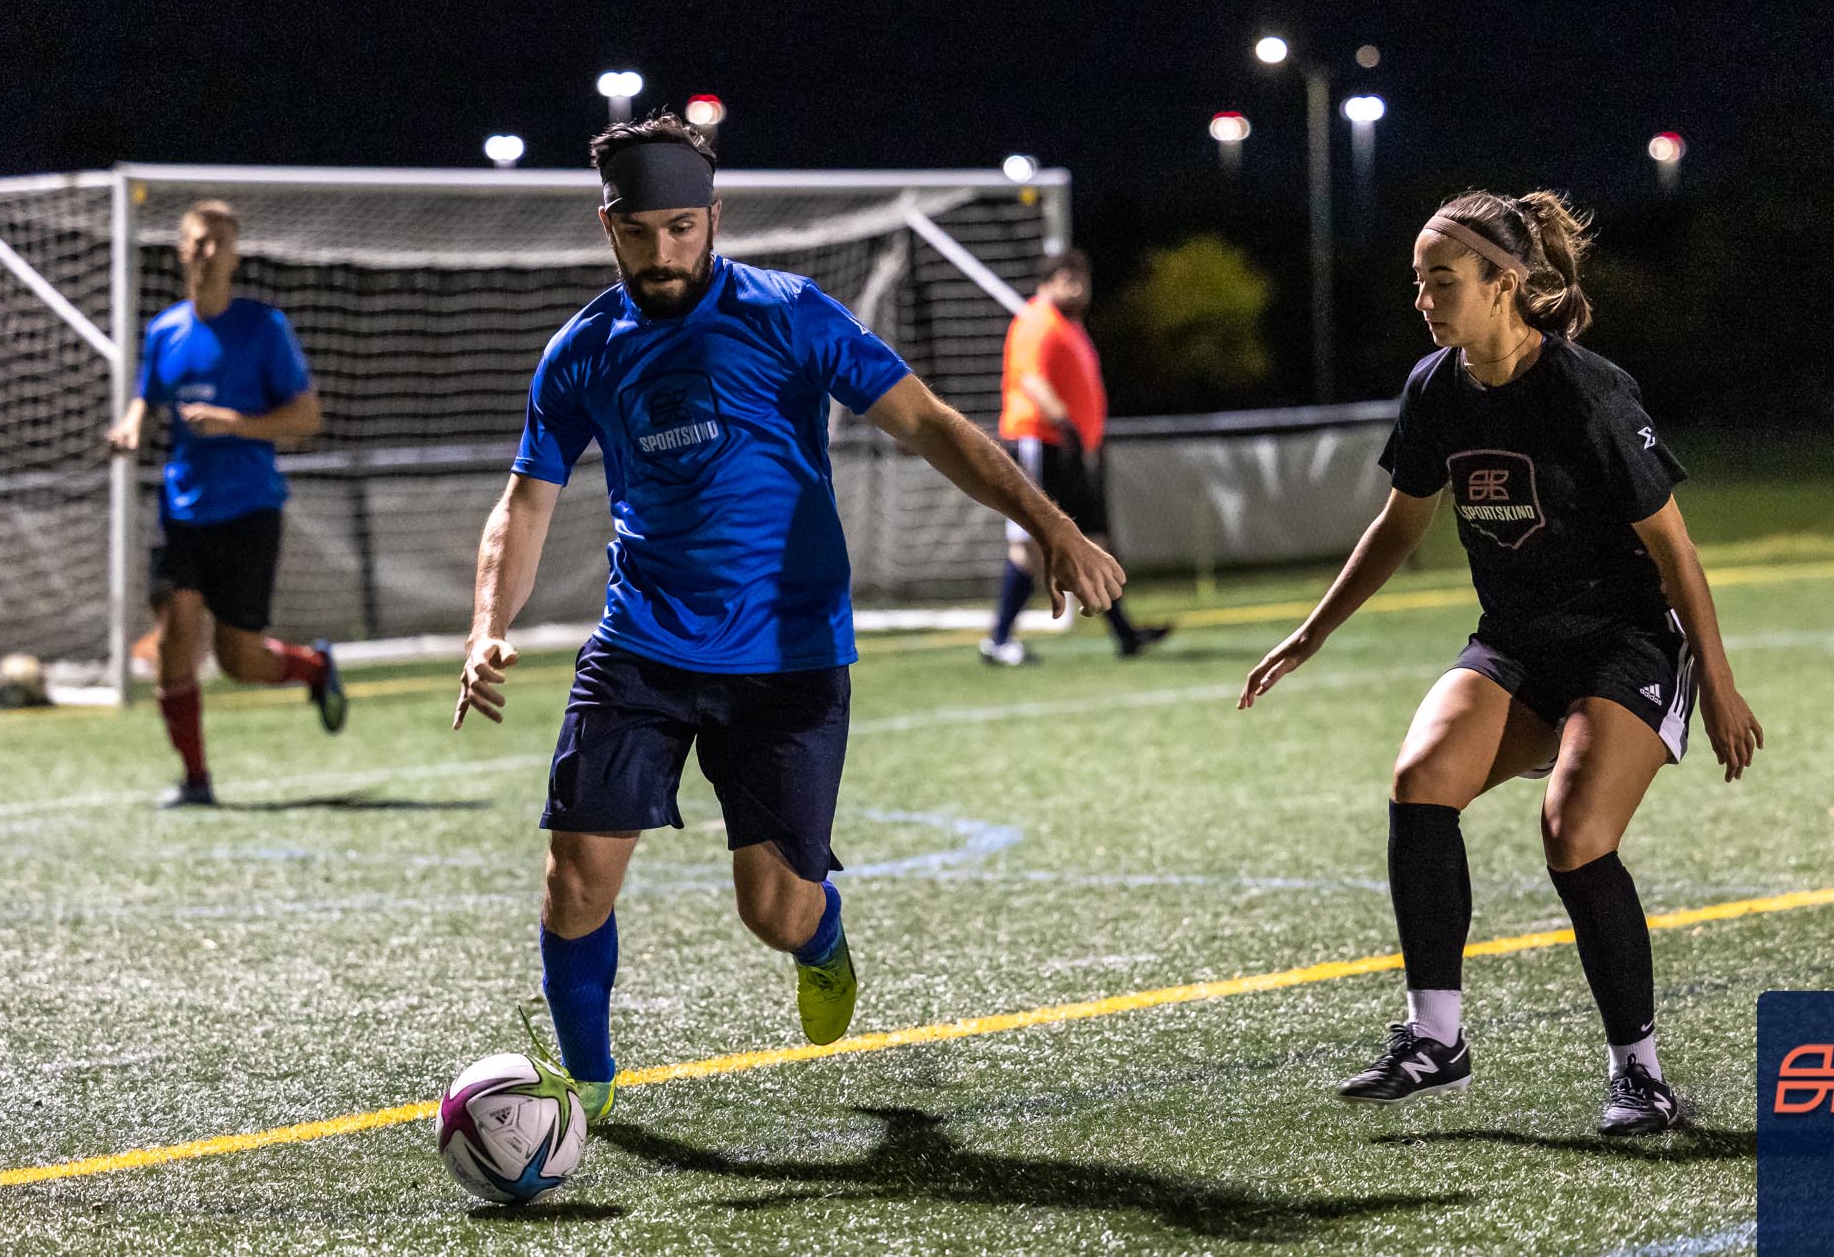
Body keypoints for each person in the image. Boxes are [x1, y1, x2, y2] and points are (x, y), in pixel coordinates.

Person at [453, 113, 1124, 1125]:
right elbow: (527, 503)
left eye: (684, 228)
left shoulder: (790, 315)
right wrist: (483, 629)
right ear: (609, 226)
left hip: (788, 658)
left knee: (773, 911)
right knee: (574, 874)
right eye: (641, 233)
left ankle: (820, 935)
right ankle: (585, 1090)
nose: (664, 252)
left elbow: (932, 426)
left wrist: (1054, 525)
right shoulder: (581, 353)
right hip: (640, 644)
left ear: (713, 217)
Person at [1239, 190, 1763, 1135]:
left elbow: (1676, 554)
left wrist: (1718, 688)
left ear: (1504, 284)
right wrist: (1310, 632)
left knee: (1572, 831)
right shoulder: (1435, 388)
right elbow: (1401, 523)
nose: (1425, 298)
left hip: (1623, 643)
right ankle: (1434, 1037)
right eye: (1418, 282)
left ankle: (1638, 1073)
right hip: (1517, 642)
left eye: (1443, 279)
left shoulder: (1588, 392)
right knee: (1420, 776)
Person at [105, 200, 348, 808]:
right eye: (198, 241)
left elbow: (307, 417)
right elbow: (146, 397)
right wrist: (131, 426)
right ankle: (195, 779)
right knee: (177, 629)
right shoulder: (164, 331)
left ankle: (315, 669)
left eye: (220, 241)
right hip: (182, 510)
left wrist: (234, 423)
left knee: (239, 659)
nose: (208, 251)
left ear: (236, 255)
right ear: (181, 250)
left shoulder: (264, 328)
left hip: (249, 510)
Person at [980, 249, 1170, 666]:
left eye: (1082, 278)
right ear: (1047, 282)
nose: (1078, 286)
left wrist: (1089, 436)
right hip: (1039, 442)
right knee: (1030, 545)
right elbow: (1031, 380)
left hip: (1070, 449)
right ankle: (998, 640)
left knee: (1095, 542)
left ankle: (1125, 634)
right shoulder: (1037, 321)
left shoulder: (1071, 328)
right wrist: (1064, 423)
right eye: (1068, 278)